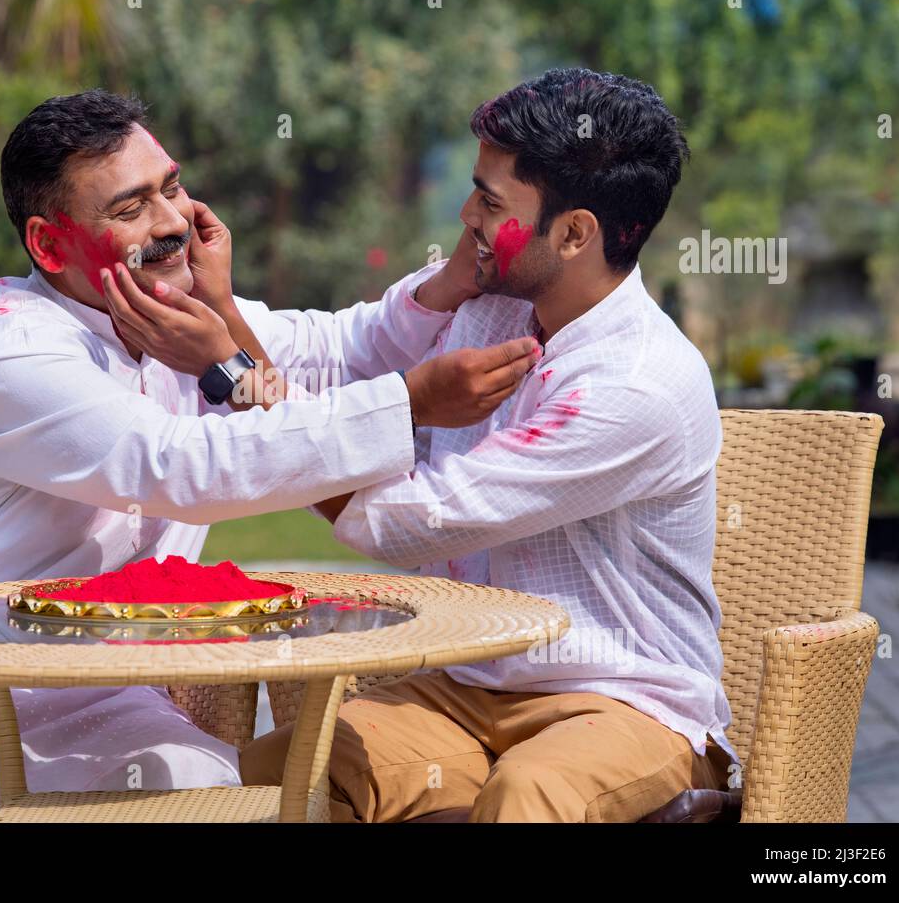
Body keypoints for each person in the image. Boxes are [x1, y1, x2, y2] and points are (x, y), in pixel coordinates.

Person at [0, 89, 538, 821]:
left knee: (215, 798)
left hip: (101, 702)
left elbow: (338, 349)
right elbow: (178, 468)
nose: (172, 222)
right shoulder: (7, 347)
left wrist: (454, 277)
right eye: (130, 208)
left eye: (172, 189)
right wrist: (405, 403)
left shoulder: (176, 318)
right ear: (47, 243)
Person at [240, 68, 740, 823]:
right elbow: (350, 356)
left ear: (574, 233)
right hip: (465, 689)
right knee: (271, 774)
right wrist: (221, 323)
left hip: (623, 701)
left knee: (528, 797)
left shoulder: (635, 384)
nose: (467, 214)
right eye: (475, 189)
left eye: (491, 201)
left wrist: (263, 415)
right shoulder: (492, 306)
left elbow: (417, 519)